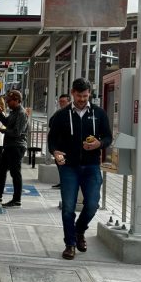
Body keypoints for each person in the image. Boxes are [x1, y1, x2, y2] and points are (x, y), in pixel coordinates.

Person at [47, 77, 112, 260]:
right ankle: (70, 244)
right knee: (68, 207)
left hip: (91, 166)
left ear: (89, 93)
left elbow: (108, 137)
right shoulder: (61, 115)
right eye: (78, 95)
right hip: (68, 167)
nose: (82, 99)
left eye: (85, 95)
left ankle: (79, 230)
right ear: (72, 93)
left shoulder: (99, 113)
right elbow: (52, 140)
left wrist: (100, 144)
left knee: (92, 205)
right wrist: (55, 152)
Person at [0, 90, 28, 207]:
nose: (7, 103)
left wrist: (1, 130)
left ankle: (17, 199)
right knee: (1, 170)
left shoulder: (21, 113)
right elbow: (7, 122)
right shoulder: (14, 112)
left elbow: (17, 132)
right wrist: (0, 114)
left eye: (9, 101)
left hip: (16, 147)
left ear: (17, 100)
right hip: (9, 146)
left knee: (15, 173)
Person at [51, 94, 71, 189]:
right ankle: (62, 181)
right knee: (59, 163)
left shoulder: (71, 113)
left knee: (66, 165)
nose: (61, 103)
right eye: (60, 102)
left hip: (67, 146)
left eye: (63, 101)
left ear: (68, 102)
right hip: (59, 146)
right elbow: (51, 123)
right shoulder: (58, 113)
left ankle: (66, 182)